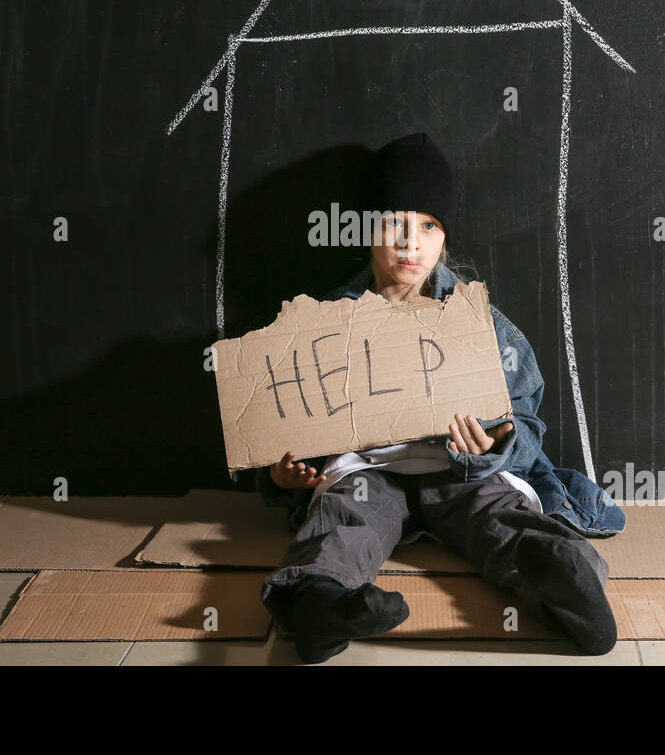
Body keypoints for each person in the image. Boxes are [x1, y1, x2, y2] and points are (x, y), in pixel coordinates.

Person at [256, 132, 626, 663]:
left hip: (459, 471)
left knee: (500, 513)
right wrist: (287, 475)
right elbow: (293, 423)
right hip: (369, 470)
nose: (411, 243)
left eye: (428, 225)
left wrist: (498, 444)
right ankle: (321, 603)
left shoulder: (481, 324)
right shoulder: (322, 323)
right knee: (344, 518)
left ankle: (566, 586)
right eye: (394, 223)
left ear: (444, 237)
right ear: (363, 231)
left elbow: (525, 420)